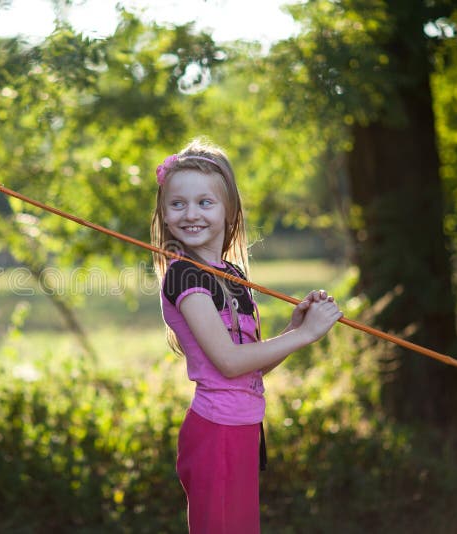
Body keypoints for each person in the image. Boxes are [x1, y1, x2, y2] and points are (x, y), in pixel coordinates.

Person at [150, 138, 343, 533]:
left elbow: (250, 366)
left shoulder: (232, 274)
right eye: (178, 204)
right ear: (164, 215)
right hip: (216, 431)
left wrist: (292, 329)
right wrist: (305, 336)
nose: (191, 214)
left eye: (205, 202)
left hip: (242, 427)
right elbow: (229, 362)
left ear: (229, 209)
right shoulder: (184, 276)